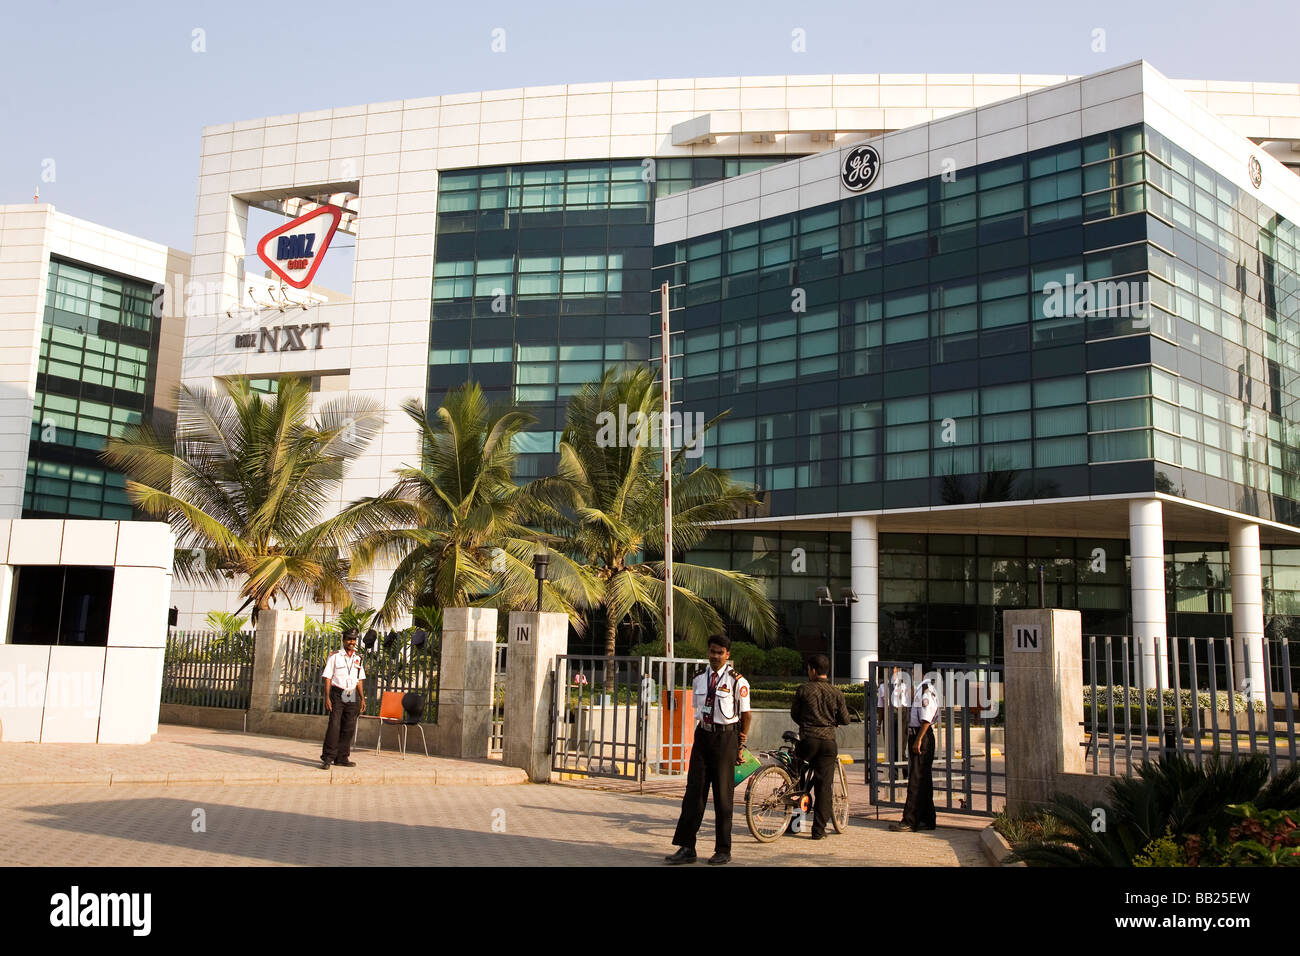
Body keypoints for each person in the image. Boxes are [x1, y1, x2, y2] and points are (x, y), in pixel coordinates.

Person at [665, 634, 752, 866]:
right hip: (703, 735)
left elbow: (746, 714)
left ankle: (723, 849)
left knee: (723, 797)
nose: (715, 656)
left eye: (719, 652)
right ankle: (687, 847)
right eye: (712, 651)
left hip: (726, 738)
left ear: (727, 655)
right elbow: (699, 709)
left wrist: (739, 743)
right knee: (693, 794)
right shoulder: (699, 678)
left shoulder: (737, 681)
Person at [790, 654, 851, 839]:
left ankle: (796, 824)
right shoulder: (836, 693)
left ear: (813, 670)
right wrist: (833, 721)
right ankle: (818, 831)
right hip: (828, 744)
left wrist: (806, 723)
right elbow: (845, 719)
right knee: (824, 787)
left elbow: (795, 714)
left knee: (797, 778)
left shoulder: (804, 690)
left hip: (808, 740)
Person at [891, 673, 938, 832]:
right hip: (918, 734)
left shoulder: (925, 690)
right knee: (923, 779)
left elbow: (926, 718)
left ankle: (910, 821)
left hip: (921, 736)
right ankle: (927, 819)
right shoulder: (921, 689)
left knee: (916, 780)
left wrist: (918, 740)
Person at [320, 629, 366, 770]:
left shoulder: (358, 658)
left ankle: (342, 758)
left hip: (351, 694)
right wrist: (327, 697)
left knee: (349, 727)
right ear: (343, 640)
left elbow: (359, 680)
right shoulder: (335, 656)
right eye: (349, 639)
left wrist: (362, 699)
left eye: (354, 639)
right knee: (334, 725)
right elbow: (328, 677)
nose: (351, 642)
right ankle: (328, 758)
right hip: (337, 693)